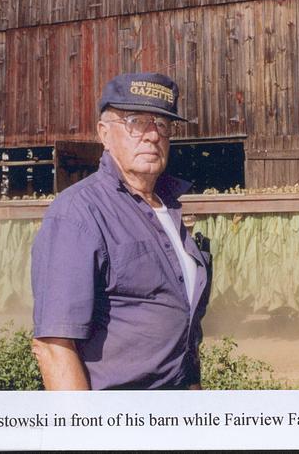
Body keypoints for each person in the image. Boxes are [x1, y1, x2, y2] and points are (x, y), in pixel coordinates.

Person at [31, 72, 211, 390]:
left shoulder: (170, 209)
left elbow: (183, 328)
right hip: (118, 420)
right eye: (136, 122)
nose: (153, 135)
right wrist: (87, 435)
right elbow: (54, 346)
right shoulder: (79, 213)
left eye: (163, 125)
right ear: (104, 133)